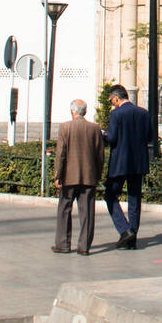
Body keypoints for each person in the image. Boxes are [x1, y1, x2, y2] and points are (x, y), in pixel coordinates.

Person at [53, 99, 106, 255]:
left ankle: (63, 244)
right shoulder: (95, 128)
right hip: (89, 177)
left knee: (64, 209)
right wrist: (97, 174)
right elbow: (100, 155)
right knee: (87, 212)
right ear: (85, 111)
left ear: (72, 111)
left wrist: (58, 174)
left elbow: (61, 153)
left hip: (69, 176)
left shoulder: (65, 127)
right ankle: (84, 246)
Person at [103, 85, 151, 249]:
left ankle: (124, 230)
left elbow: (112, 138)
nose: (112, 104)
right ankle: (133, 236)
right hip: (138, 163)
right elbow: (150, 137)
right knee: (134, 199)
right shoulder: (143, 113)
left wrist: (104, 135)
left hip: (120, 163)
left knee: (110, 195)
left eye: (112, 101)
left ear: (116, 98)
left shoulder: (116, 113)